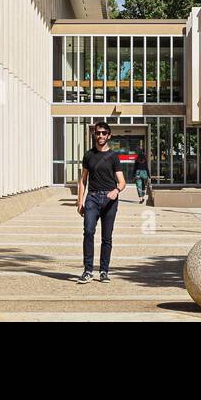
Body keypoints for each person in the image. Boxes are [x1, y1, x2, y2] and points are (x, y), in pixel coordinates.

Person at [77, 121, 126, 282]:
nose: (101, 135)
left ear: (108, 136)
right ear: (95, 134)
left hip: (109, 200)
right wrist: (80, 202)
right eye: (98, 133)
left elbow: (122, 182)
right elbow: (83, 180)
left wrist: (116, 191)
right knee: (88, 232)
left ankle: (104, 271)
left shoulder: (114, 156)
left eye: (104, 133)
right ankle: (88, 270)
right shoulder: (88, 155)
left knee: (107, 237)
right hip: (92, 198)